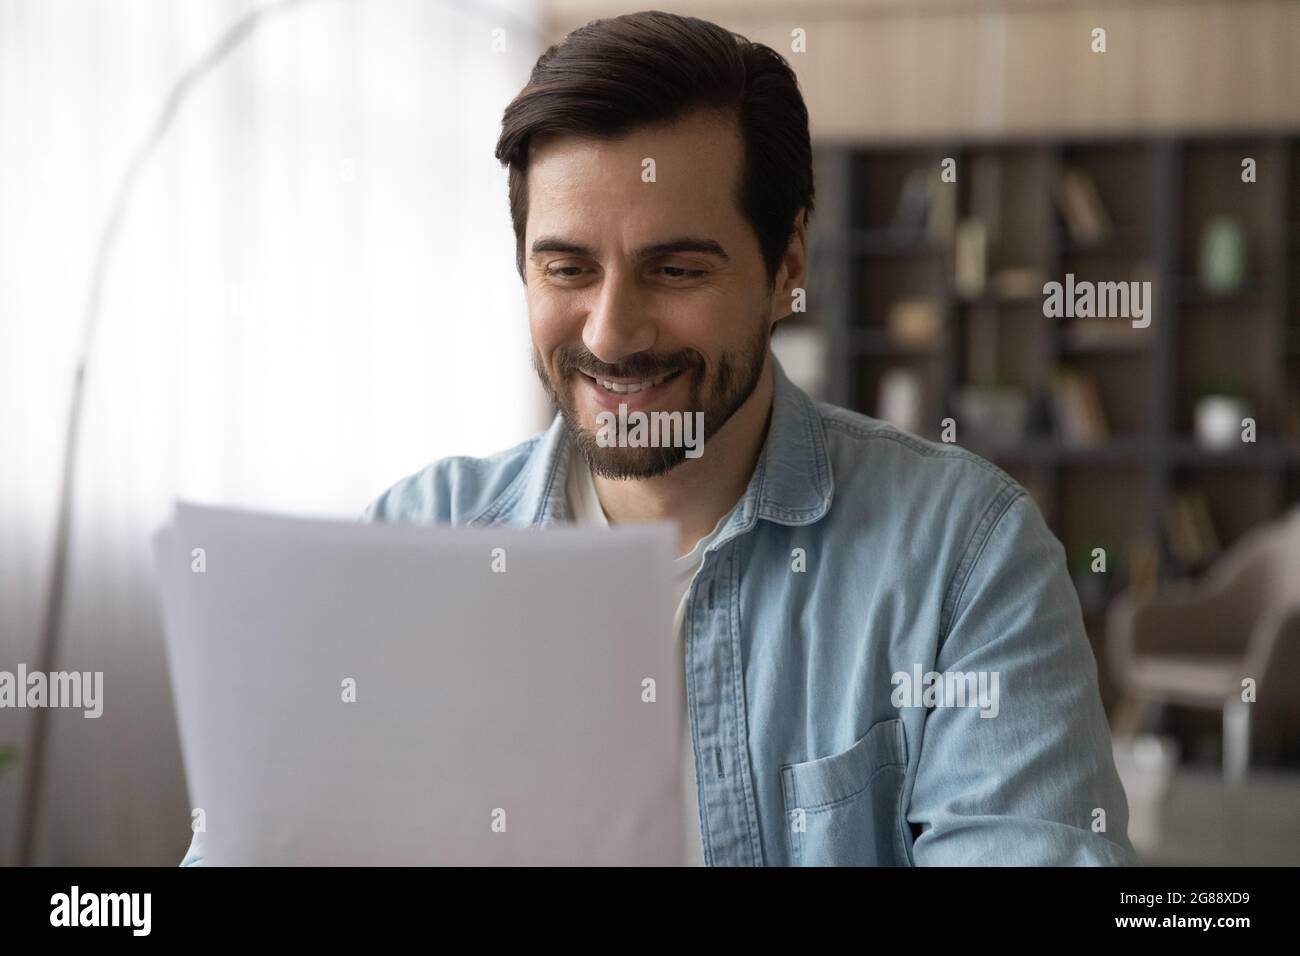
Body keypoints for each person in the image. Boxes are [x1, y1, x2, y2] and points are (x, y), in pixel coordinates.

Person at [183, 9, 1135, 867]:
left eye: (674, 269)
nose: (609, 333)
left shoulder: (962, 557)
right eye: (566, 268)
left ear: (786, 263)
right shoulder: (410, 541)